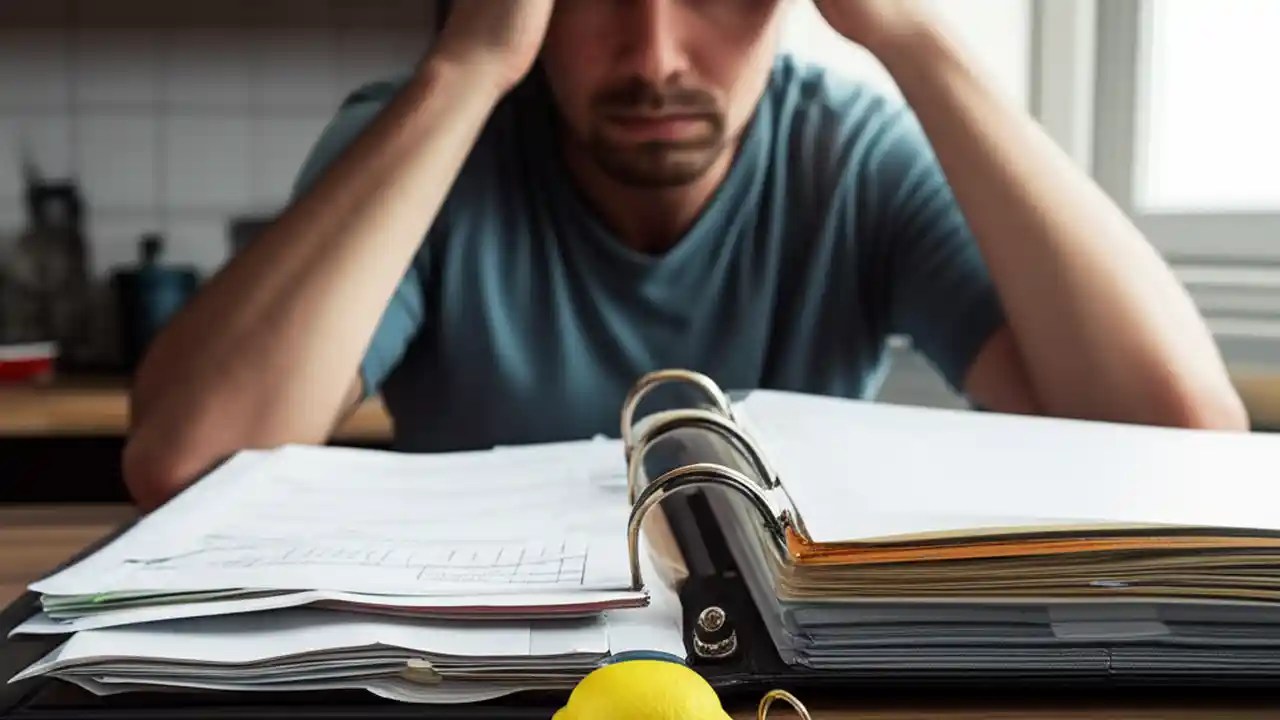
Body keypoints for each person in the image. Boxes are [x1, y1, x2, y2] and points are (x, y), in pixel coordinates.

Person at [122, 0, 1248, 510]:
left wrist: (913, 35)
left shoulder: (850, 156)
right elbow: (185, 459)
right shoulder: (426, 139)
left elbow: (1180, 443)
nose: (654, 54)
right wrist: (464, 66)